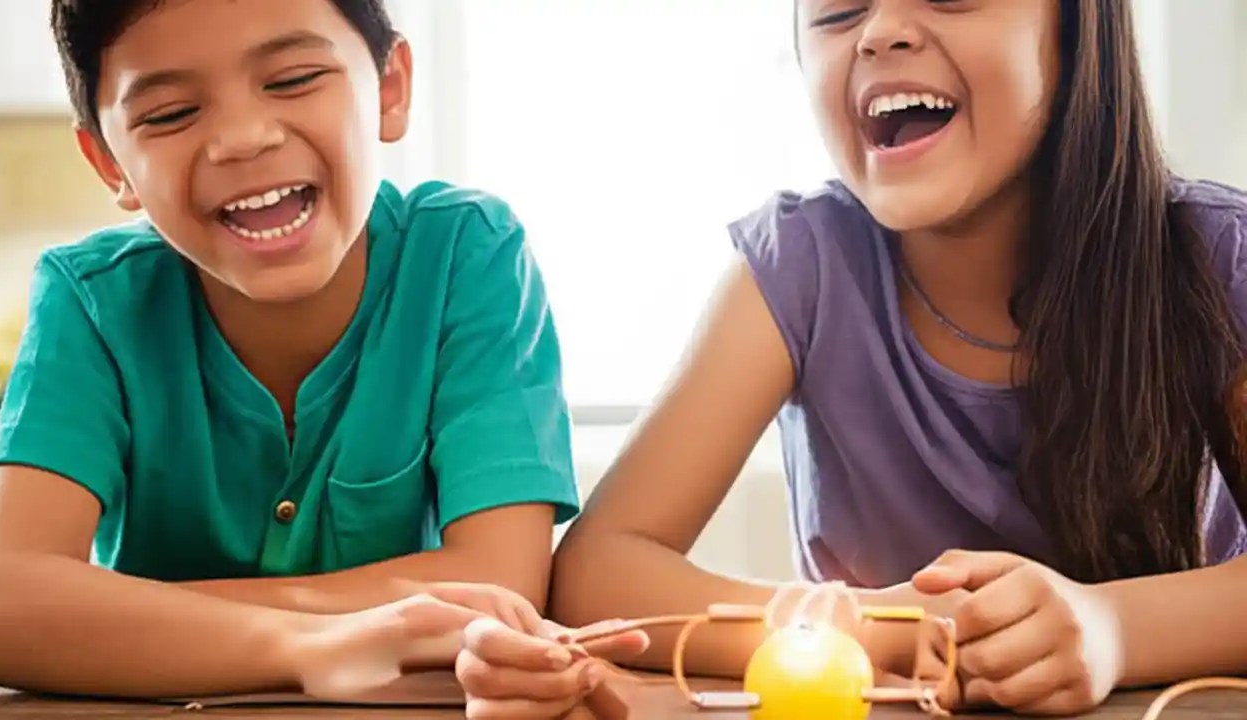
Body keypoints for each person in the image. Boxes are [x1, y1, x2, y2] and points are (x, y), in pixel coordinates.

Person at [456, 0, 1247, 717]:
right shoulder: (802, 265)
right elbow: (598, 570)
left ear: (1079, 28)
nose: (881, 32)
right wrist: (889, 632)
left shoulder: (1218, 259)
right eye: (838, 12)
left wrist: (1111, 628)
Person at [0, 0, 587, 701]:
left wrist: (133, 619)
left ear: (389, 88)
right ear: (111, 163)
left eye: (292, 78)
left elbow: (498, 583)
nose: (241, 137)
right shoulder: (92, 301)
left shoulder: (465, 253)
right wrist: (317, 645)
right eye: (170, 113)